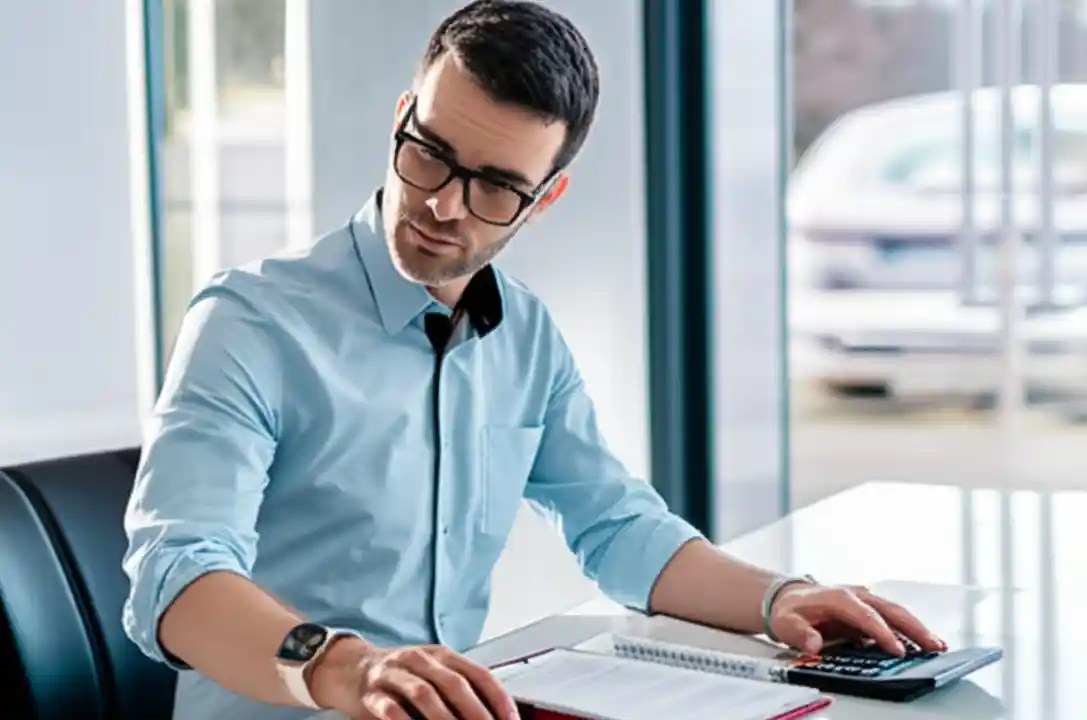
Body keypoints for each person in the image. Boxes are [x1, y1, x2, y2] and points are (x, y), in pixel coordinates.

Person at [122, 2, 945, 719]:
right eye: (430, 153)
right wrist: (353, 668)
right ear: (402, 117)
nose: (443, 204)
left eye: (494, 186)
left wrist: (781, 598)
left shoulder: (525, 334)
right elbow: (174, 575)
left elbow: (618, 527)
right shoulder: (250, 323)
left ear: (544, 197)